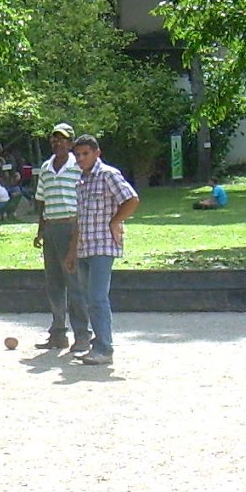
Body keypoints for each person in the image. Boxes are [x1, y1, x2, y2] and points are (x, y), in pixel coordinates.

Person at [69, 134, 140, 367]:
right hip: (84, 247)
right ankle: (97, 344)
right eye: (77, 154)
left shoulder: (108, 175)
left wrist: (115, 221)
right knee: (89, 298)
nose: (81, 158)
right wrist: (71, 252)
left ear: (97, 153)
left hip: (103, 245)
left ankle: (104, 348)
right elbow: (79, 219)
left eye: (85, 154)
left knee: (98, 297)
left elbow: (131, 200)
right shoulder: (81, 181)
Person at [33, 123, 87, 352]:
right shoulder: (46, 167)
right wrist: (40, 230)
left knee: (74, 283)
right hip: (52, 228)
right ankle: (58, 333)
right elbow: (41, 201)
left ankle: (83, 334)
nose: (57, 143)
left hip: (71, 227)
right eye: (54, 139)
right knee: (53, 283)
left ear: (71, 143)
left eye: (62, 139)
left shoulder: (78, 167)